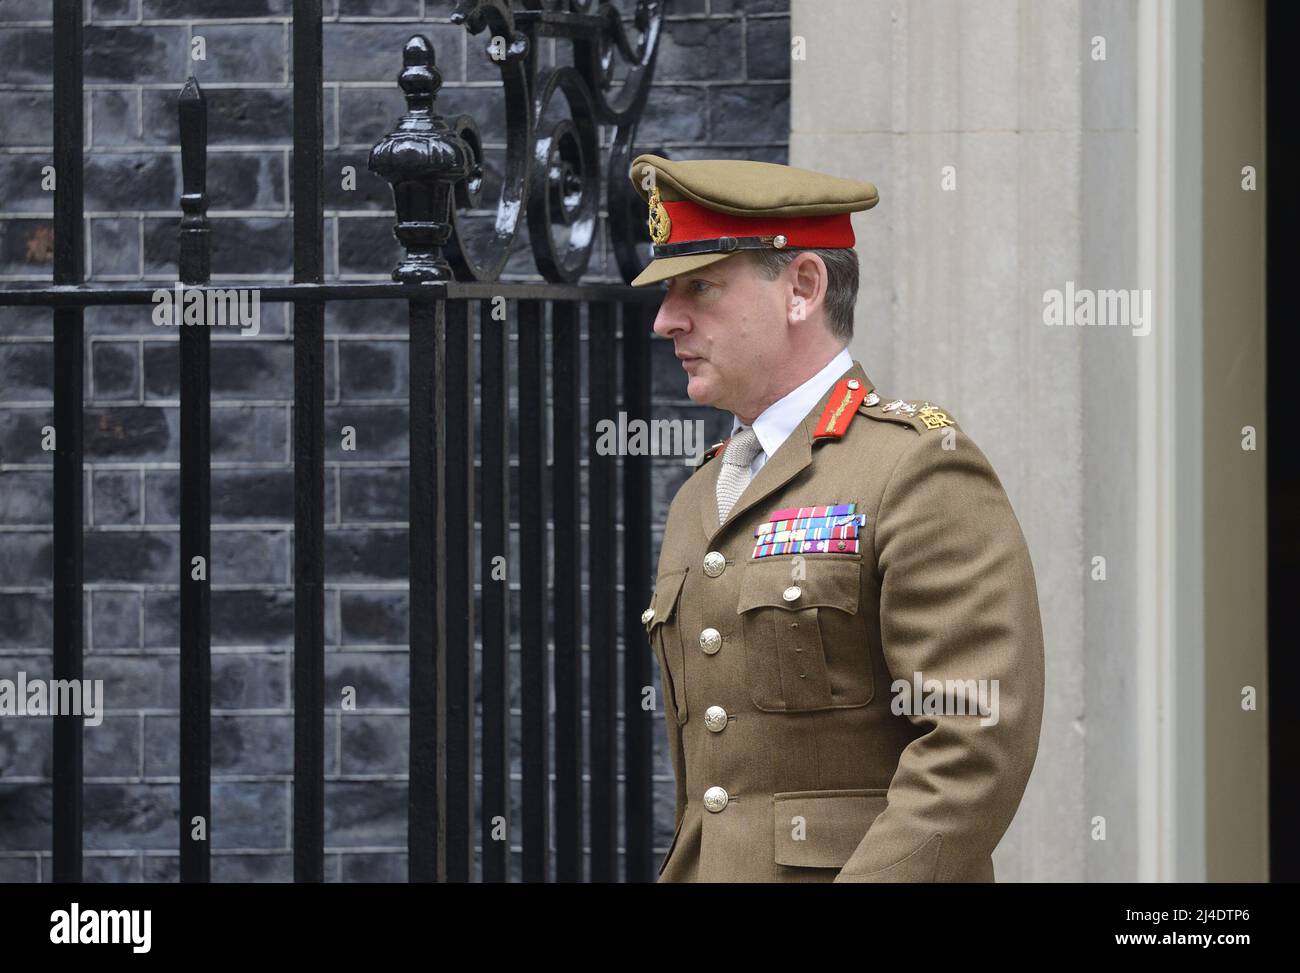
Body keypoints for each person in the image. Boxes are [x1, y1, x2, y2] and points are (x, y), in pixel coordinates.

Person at [630, 154, 1045, 882]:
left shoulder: (917, 467)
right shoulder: (702, 493)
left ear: (803, 287)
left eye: (701, 286)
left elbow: (973, 742)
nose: (668, 319)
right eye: (669, 292)